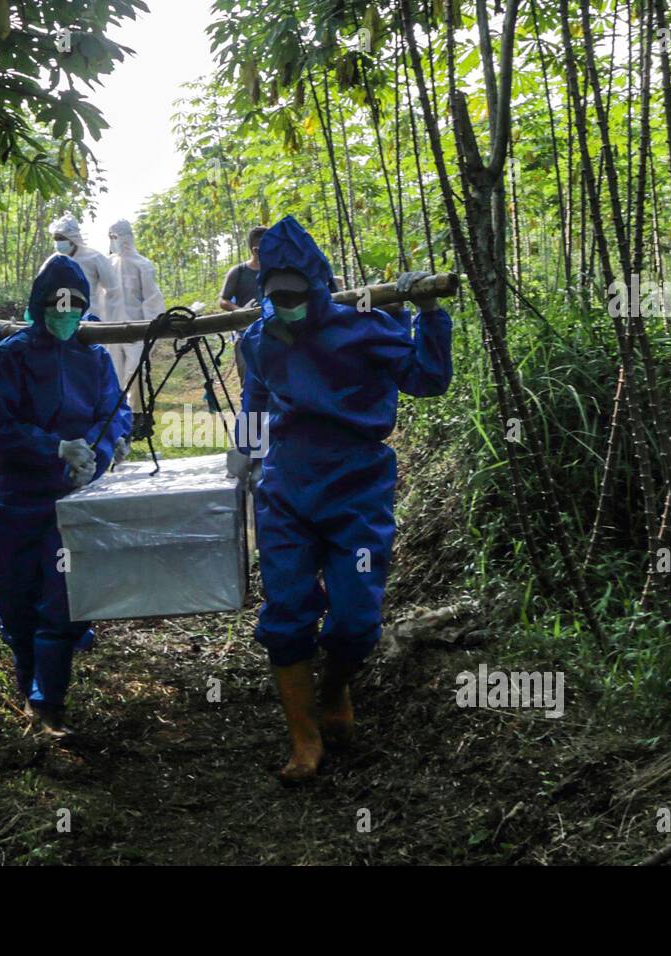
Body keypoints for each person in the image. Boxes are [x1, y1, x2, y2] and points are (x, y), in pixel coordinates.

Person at [228, 215, 453, 783]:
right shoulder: (261, 338)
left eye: (295, 294)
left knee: (356, 616)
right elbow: (255, 398)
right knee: (286, 613)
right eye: (275, 296)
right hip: (286, 487)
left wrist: (427, 313)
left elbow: (428, 378)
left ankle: (335, 687)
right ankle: (304, 741)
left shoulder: (366, 328)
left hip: (357, 482)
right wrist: (245, 457)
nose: (287, 305)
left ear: (317, 285)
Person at [0, 254, 132, 737]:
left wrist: (101, 450)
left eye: (75, 304)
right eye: (57, 303)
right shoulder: (6, 357)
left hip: (73, 500)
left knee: (61, 603)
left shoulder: (95, 356)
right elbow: (0, 430)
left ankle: (49, 704)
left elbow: (115, 411)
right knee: (17, 602)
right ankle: (30, 687)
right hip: (15, 500)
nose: (66, 312)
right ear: (39, 304)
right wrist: (54, 448)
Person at [45, 213, 127, 385]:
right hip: (58, 322)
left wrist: (109, 321)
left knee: (88, 366)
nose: (58, 242)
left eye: (61, 238)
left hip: (90, 320)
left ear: (71, 238)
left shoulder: (94, 258)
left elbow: (113, 290)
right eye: (55, 238)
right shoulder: (52, 261)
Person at [108, 218, 165, 417]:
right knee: (114, 374)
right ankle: (116, 419)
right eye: (110, 237)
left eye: (116, 237)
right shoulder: (109, 265)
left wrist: (150, 332)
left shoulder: (142, 265)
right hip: (112, 330)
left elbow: (152, 300)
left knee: (136, 375)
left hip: (138, 332)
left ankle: (138, 417)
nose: (113, 241)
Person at [219, 226, 268, 383]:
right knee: (248, 382)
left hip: (273, 334)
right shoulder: (238, 272)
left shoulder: (275, 270)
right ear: (255, 250)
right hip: (245, 336)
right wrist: (241, 311)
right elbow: (223, 300)